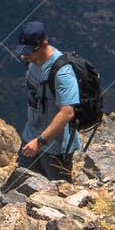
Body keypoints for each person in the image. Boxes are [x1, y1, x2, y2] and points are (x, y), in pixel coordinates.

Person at [17, 20, 81, 183]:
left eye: (29, 51)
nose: (25, 56)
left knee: (57, 192)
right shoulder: (33, 63)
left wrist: (39, 142)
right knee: (20, 186)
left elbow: (67, 112)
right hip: (31, 135)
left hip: (55, 147)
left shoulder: (63, 73)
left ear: (43, 44)